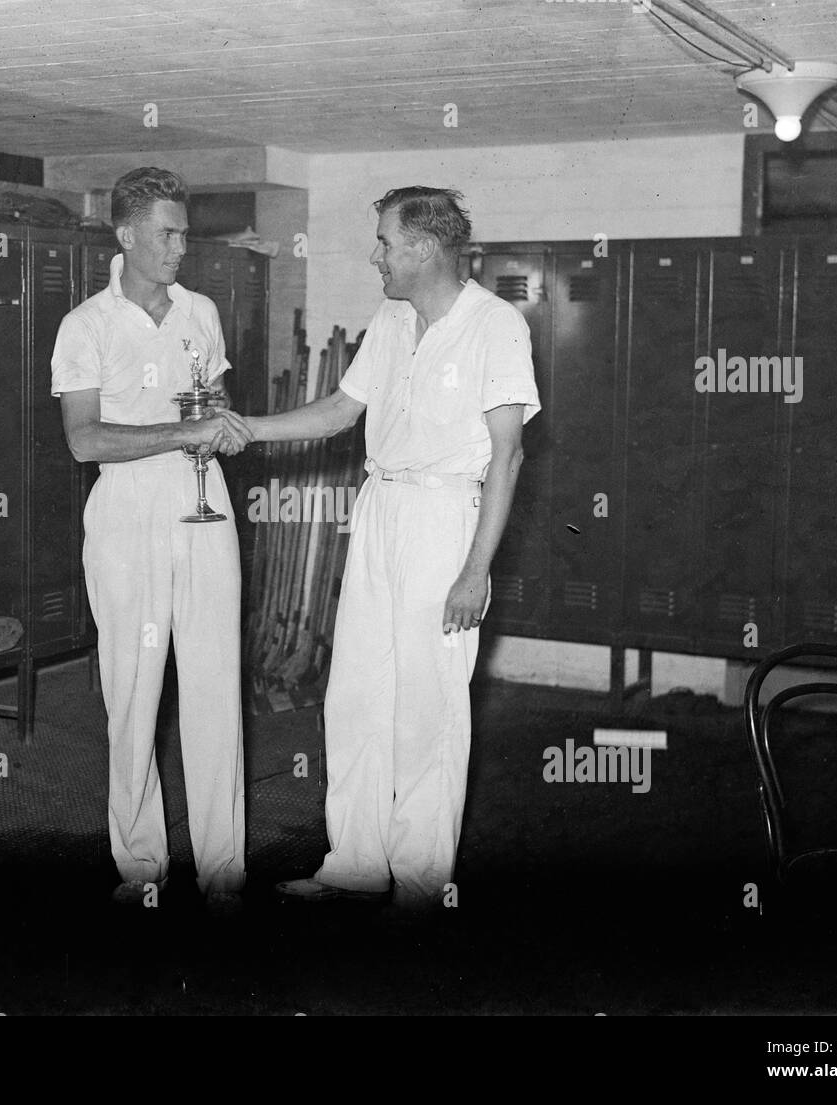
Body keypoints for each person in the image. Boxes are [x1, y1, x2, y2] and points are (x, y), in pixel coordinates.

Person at [242, 186, 540, 913]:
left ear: (425, 248)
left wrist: (475, 570)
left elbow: (507, 458)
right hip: (380, 509)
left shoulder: (495, 326)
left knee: (428, 708)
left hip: (446, 517)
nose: (375, 255)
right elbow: (342, 409)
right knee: (357, 694)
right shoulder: (391, 317)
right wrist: (248, 428)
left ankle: (419, 883)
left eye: (384, 242)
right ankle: (354, 860)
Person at [51, 167, 252, 910]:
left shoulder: (201, 311)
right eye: (166, 234)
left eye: (184, 235)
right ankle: (140, 869)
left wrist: (220, 428)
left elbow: (215, 399)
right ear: (126, 234)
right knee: (133, 695)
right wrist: (183, 430)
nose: (178, 248)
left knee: (213, 685)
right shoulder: (86, 325)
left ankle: (224, 871)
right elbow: (82, 440)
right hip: (127, 512)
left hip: (205, 504)